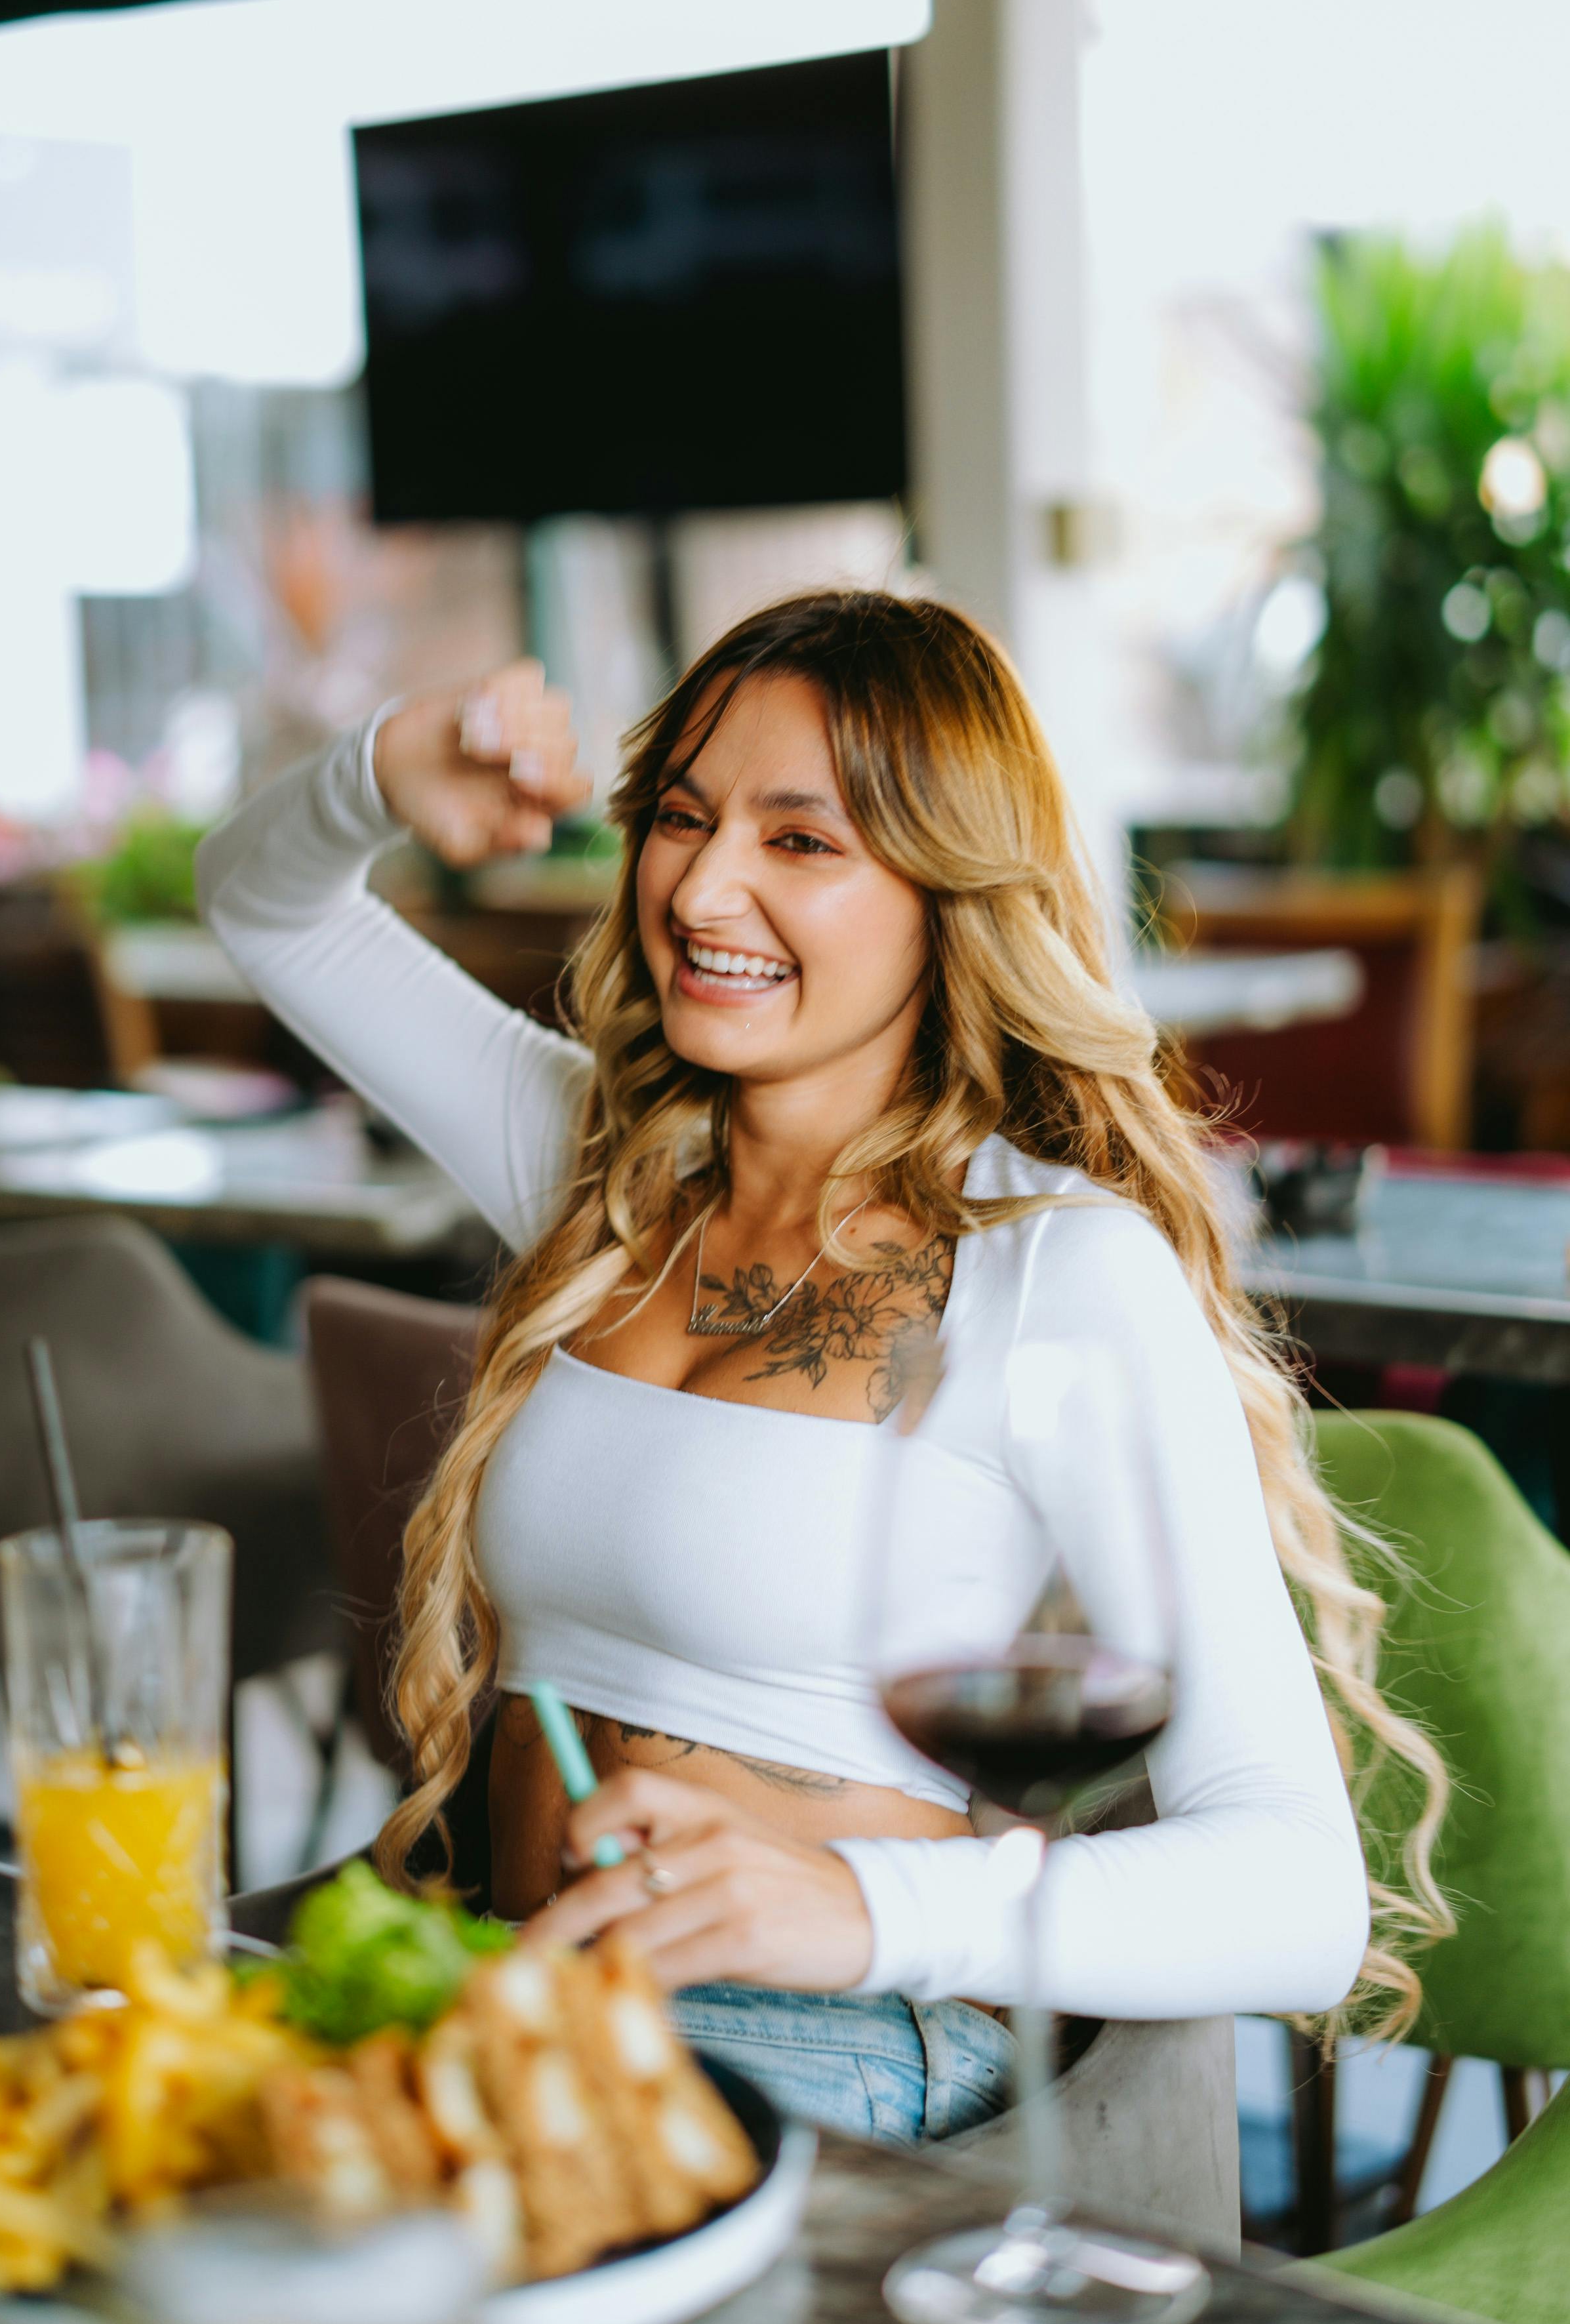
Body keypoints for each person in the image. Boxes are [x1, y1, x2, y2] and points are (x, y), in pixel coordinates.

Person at [199, 591, 1447, 2144]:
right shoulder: (594, 1169)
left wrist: (853, 1908)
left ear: (945, 897)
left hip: (832, 2044)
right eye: (682, 815)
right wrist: (389, 769)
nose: (705, 886)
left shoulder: (1054, 1270)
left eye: (801, 841)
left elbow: (1294, 1889)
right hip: (517, 1986)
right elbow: (264, 904)